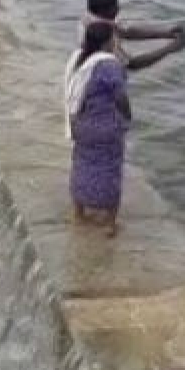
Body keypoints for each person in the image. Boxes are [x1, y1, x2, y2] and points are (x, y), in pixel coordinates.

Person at [65, 22, 130, 237]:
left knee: (82, 166)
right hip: (105, 127)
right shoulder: (110, 66)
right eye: (113, 38)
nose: (116, 41)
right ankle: (110, 224)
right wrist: (127, 115)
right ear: (106, 42)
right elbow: (120, 95)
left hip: (82, 124)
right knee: (111, 170)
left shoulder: (81, 60)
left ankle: (79, 214)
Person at [80, 0, 185, 71]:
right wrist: (170, 48)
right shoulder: (103, 35)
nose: (118, 7)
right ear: (103, 10)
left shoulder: (90, 17)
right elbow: (131, 64)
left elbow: (126, 33)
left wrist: (166, 34)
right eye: (115, 5)